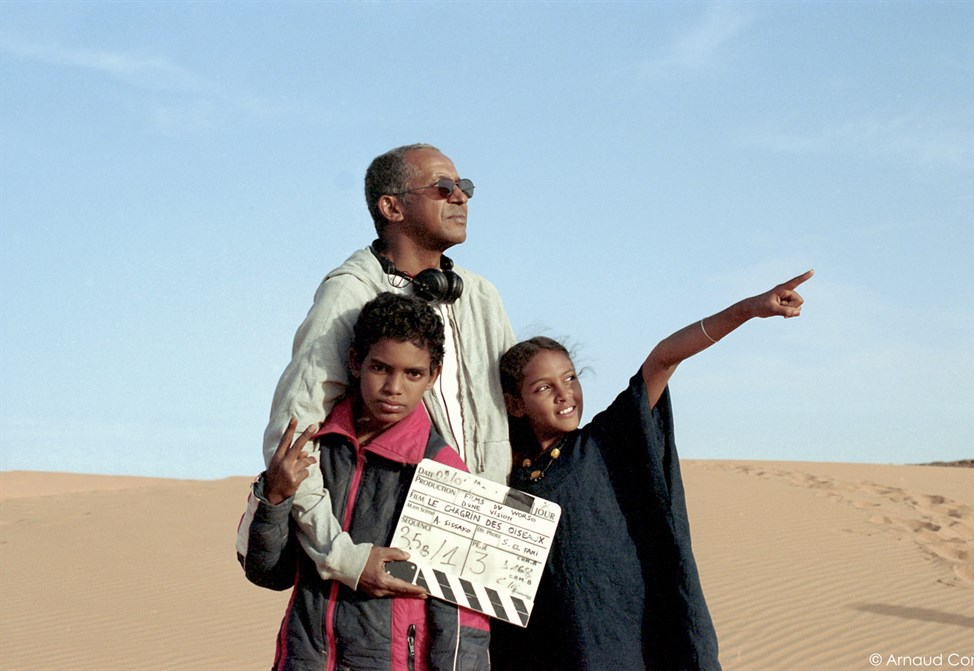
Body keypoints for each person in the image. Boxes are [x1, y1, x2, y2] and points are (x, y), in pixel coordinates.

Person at [489, 270, 814, 671]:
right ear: (516, 404)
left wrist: (748, 309)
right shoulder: (503, 477)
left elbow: (663, 358)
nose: (565, 393)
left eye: (570, 378)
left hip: (629, 648)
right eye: (543, 387)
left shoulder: (603, 443)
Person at [244, 144, 516, 597]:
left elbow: (519, 409)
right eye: (444, 188)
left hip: (484, 557)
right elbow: (291, 438)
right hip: (388, 559)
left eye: (464, 187)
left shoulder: (481, 296)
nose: (461, 198)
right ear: (391, 206)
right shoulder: (349, 293)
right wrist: (344, 557)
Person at [238, 293, 490, 671]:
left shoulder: (445, 471)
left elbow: (462, 622)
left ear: (433, 375)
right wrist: (274, 498)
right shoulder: (318, 449)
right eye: (380, 368)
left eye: (413, 373)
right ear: (356, 362)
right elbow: (266, 572)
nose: (394, 387)